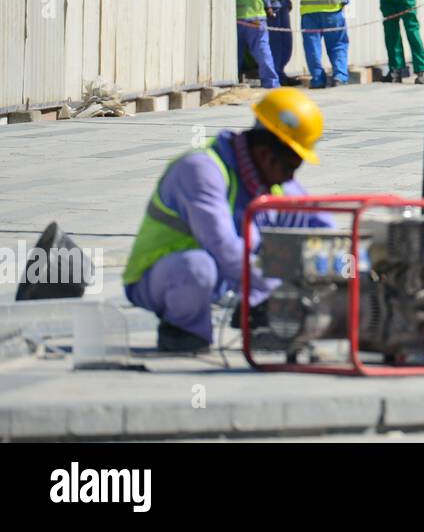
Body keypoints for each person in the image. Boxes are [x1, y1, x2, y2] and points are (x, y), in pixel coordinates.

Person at [123, 89, 332, 353]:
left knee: (297, 249)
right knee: (198, 267)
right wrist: (282, 293)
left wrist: (352, 267)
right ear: (268, 155)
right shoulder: (201, 171)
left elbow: (320, 225)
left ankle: (254, 309)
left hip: (224, 276)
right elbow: (223, 247)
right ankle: (184, 329)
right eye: (292, 166)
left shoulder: (272, 178)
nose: (291, 177)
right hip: (164, 275)